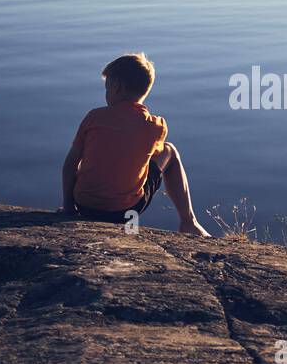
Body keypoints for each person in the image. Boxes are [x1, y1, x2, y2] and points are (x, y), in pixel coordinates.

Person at [59, 53, 211, 236]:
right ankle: (189, 222)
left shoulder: (93, 117)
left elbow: (70, 164)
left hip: (84, 205)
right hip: (124, 211)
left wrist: (69, 207)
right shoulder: (156, 126)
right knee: (169, 151)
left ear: (116, 87)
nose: (106, 93)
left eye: (106, 88)